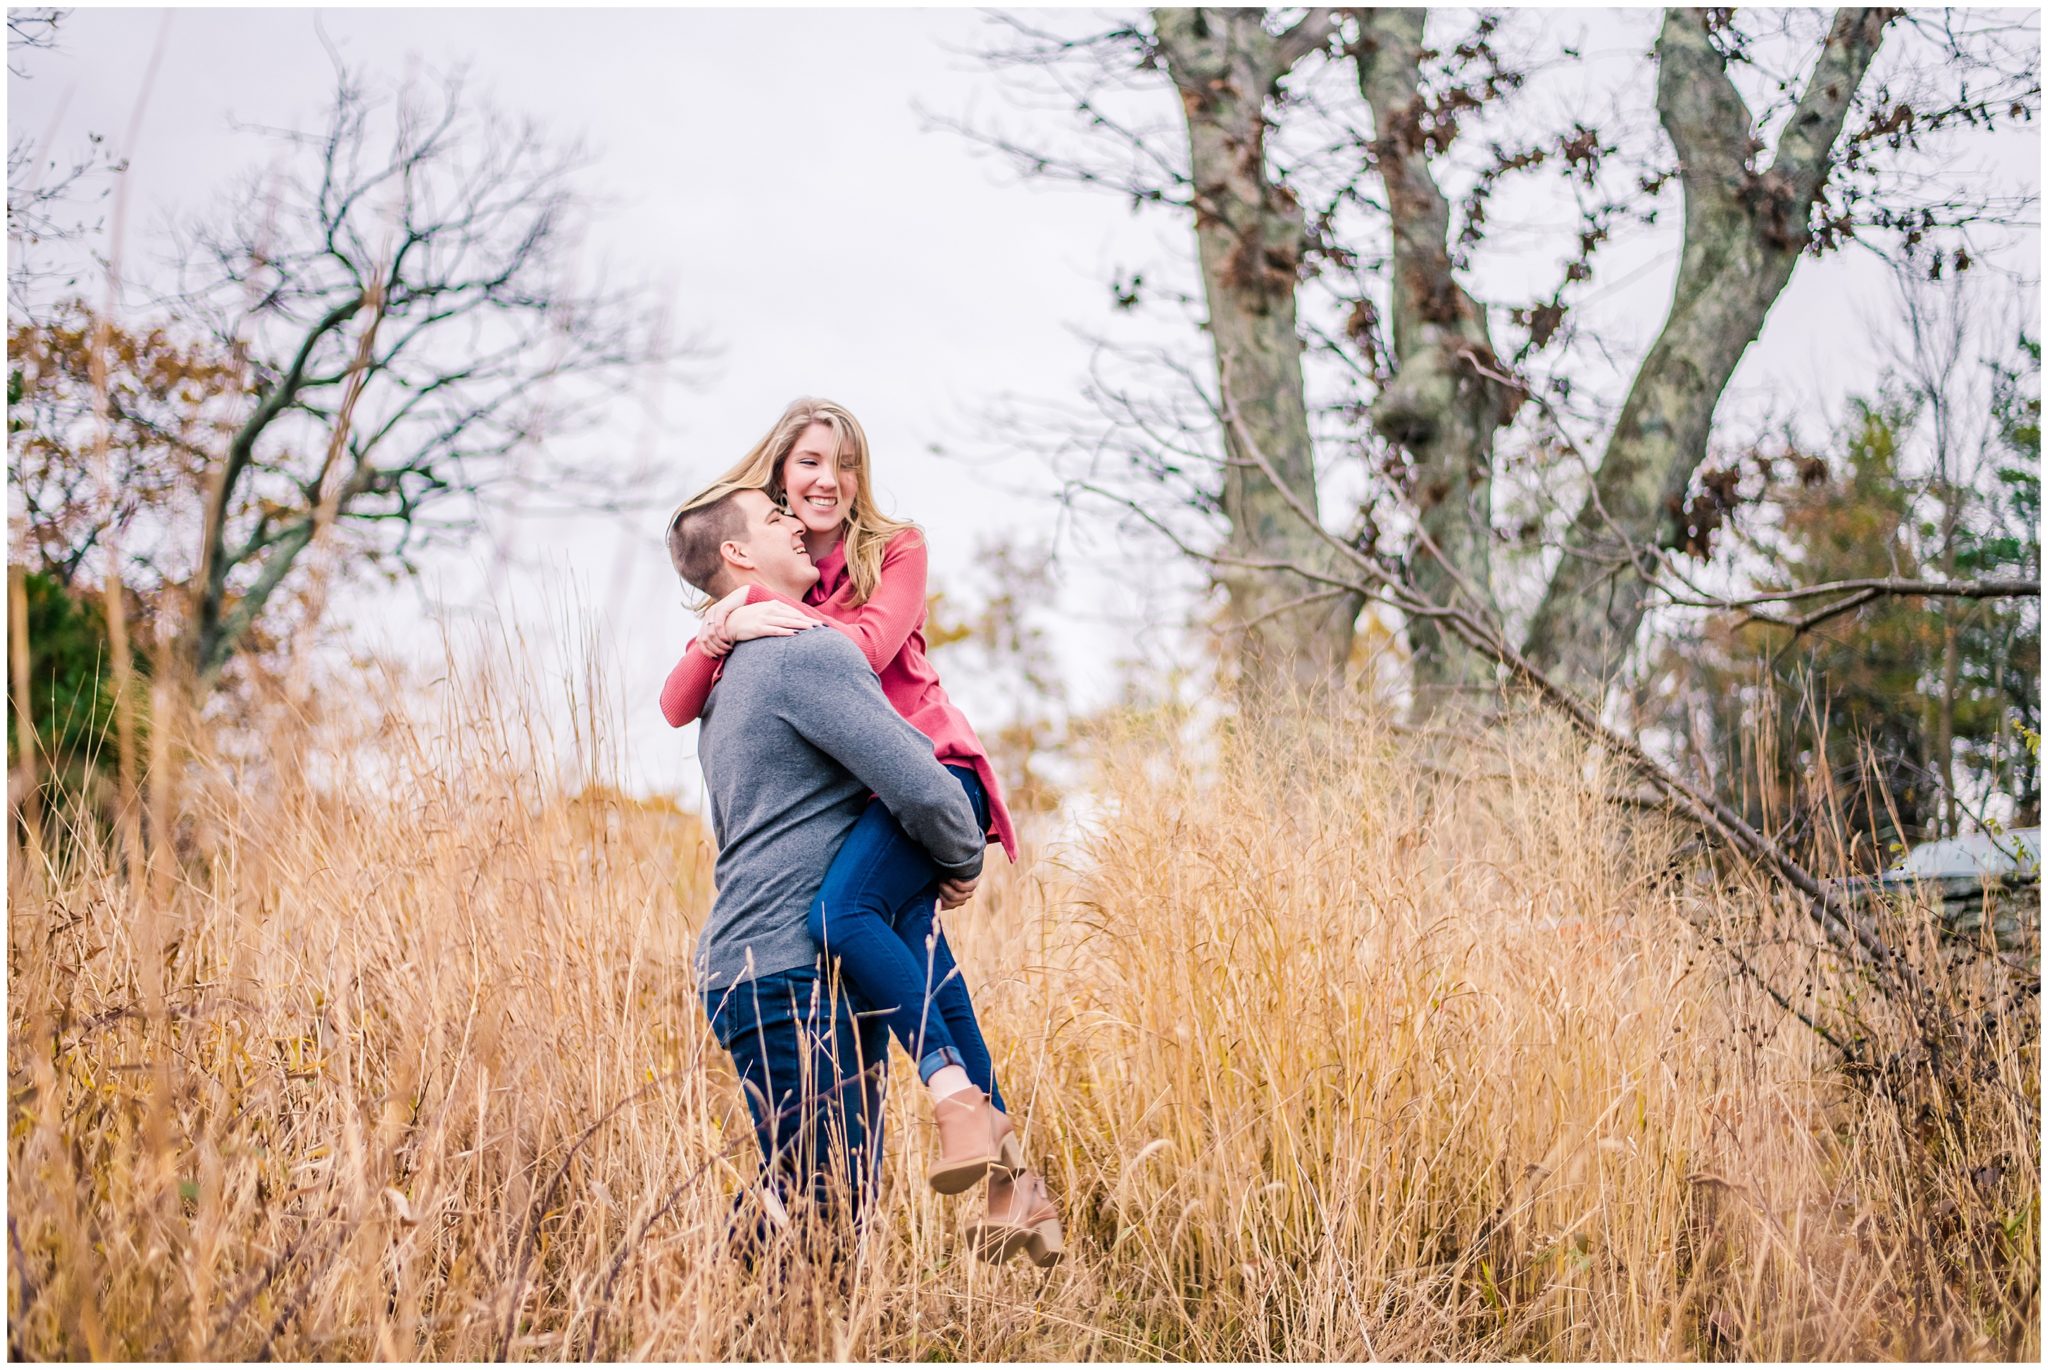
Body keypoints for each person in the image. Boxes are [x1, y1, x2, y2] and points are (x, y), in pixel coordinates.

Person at [662, 398, 1059, 1266]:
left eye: (840, 466)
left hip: (746, 964)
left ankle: (1002, 1175)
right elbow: (913, 779)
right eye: (784, 496)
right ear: (743, 547)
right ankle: (701, 1311)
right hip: (792, 969)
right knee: (829, 1198)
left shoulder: (772, 643)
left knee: (811, 1182)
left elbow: (877, 657)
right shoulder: (793, 648)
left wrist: (728, 618)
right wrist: (959, 857)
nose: (815, 493)